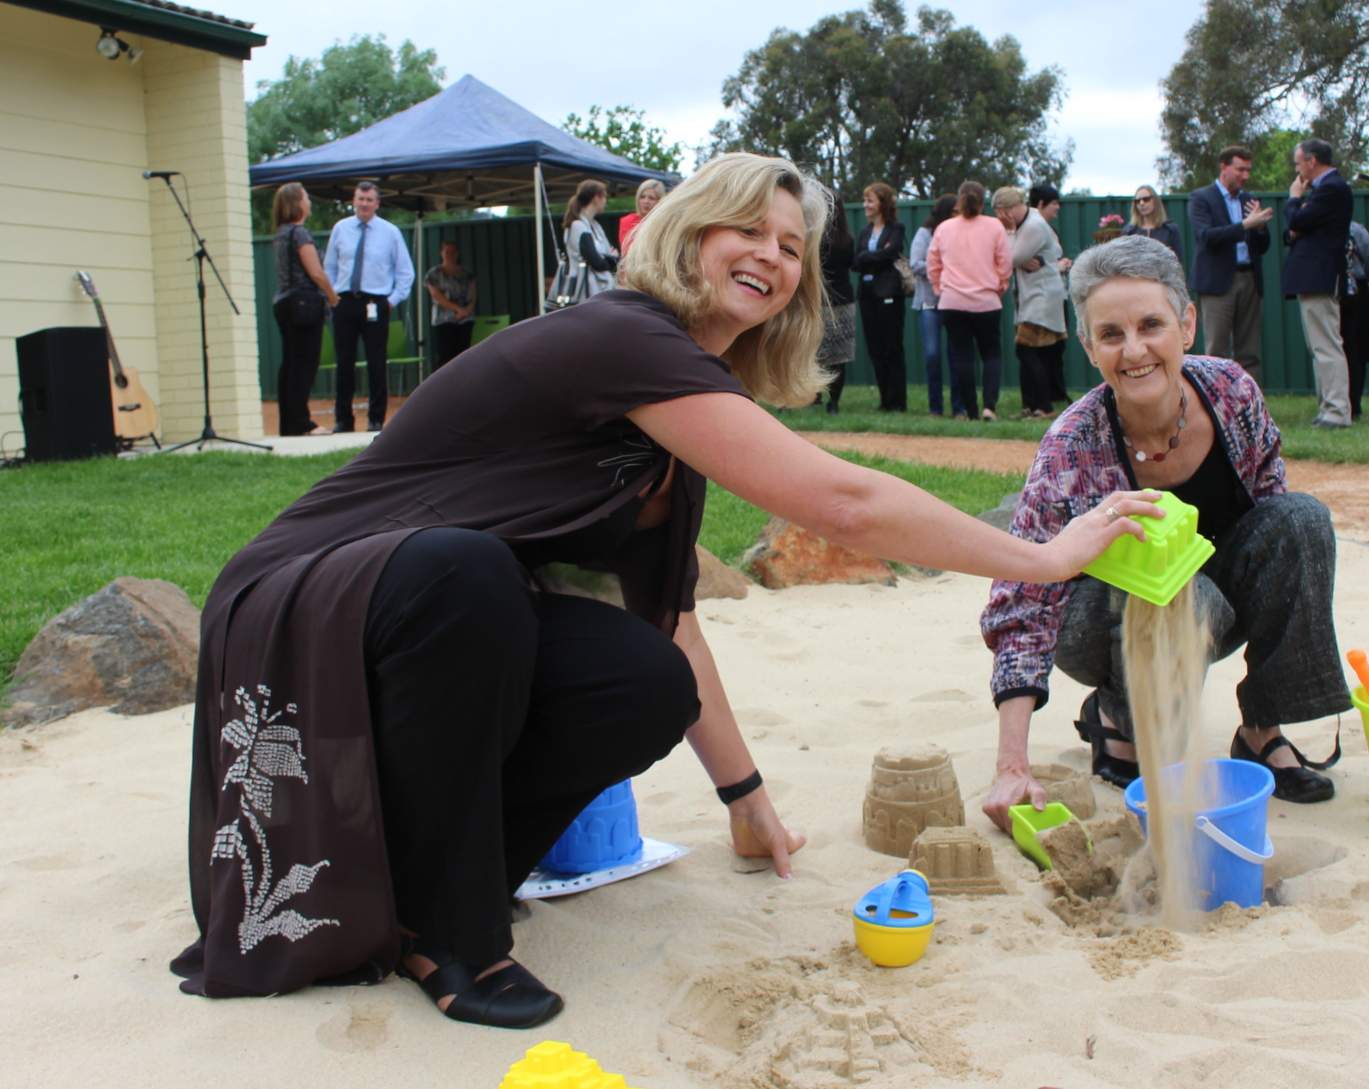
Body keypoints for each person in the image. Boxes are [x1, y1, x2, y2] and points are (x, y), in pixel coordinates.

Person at [172, 152, 1161, 1031]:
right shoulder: (622, 335)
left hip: (424, 610)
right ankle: (449, 930)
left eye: (791, 246)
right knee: (469, 575)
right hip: (307, 601)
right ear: (687, 233)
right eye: (748, 229)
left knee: (639, 678)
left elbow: (677, 625)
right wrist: (1045, 557)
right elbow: (844, 502)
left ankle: (440, 877)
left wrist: (746, 800)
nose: (772, 257)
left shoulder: (671, 423)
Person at [980, 234, 1347, 829]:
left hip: (1213, 609)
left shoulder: (1231, 393)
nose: (1134, 351)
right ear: (1087, 346)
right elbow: (1023, 599)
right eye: (1111, 334)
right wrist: (1011, 762)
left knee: (1302, 520)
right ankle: (1119, 714)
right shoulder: (1071, 447)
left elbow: (1273, 534)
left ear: (1187, 325)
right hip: (1097, 624)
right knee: (1179, 589)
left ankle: (1261, 730)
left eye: (1151, 325)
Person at [323, 181, 415, 434]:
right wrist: (332, 296)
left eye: (369, 200)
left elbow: (405, 272)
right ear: (354, 200)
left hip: (376, 302)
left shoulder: (390, 232)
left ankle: (376, 419)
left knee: (376, 362)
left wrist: (392, 300)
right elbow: (329, 267)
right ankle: (343, 419)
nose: (364, 204)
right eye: (360, 199)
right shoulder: (341, 229)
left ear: (377, 203)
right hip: (345, 301)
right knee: (345, 362)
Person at [1283, 138, 1355, 428]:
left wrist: (1294, 198)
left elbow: (1297, 221)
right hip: (1313, 277)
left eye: (1299, 163)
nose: (1298, 170)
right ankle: (1328, 408)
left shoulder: (1332, 188)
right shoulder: (1324, 191)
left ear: (1312, 161)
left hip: (1321, 275)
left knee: (1327, 346)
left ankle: (1337, 412)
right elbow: (1294, 231)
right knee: (1320, 347)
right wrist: (1298, 223)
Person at [1188, 146, 1273, 389]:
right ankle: (1216, 405)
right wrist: (1246, 224)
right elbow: (1206, 237)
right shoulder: (1201, 198)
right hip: (1218, 283)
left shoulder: (1249, 200)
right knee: (1217, 350)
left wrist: (1259, 229)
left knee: (1250, 350)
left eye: (1248, 170)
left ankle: (1250, 404)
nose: (1245, 176)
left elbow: (1262, 246)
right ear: (1224, 167)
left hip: (1250, 279)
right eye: (1240, 169)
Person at [928, 181, 1012, 422]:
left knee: (962, 357)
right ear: (983, 202)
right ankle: (989, 407)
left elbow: (933, 263)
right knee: (991, 355)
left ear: (959, 201)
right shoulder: (995, 226)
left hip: (952, 302)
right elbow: (1005, 263)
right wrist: (1000, 286)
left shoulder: (944, 228)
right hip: (987, 301)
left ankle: (970, 411)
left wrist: (939, 288)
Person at [994, 186, 1070, 419]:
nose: (999, 218)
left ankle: (1043, 406)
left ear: (1012, 208)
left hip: (1042, 295)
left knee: (1026, 349)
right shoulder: (1030, 222)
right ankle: (1033, 405)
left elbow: (1010, 258)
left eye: (1001, 212)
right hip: (1033, 294)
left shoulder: (1034, 225)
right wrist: (1021, 259)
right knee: (1039, 352)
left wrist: (1008, 234)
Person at [269, 182, 337, 436]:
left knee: (290, 365)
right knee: (304, 365)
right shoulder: (300, 234)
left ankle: (289, 423)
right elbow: (316, 273)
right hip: (305, 305)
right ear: (297, 202)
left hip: (285, 303)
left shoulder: (280, 233)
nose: (309, 201)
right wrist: (333, 297)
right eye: (306, 197)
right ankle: (302, 423)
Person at [852, 181, 908, 411]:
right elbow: (856, 261)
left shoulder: (896, 228)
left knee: (892, 348)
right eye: (865, 201)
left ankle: (898, 402)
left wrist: (868, 257)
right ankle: (884, 400)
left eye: (870, 200)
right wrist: (871, 255)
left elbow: (891, 253)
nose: (866, 205)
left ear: (882, 204)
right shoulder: (865, 232)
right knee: (875, 349)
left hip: (889, 294)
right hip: (867, 296)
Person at [909, 194, 959, 416]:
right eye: (955, 211)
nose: (959, 214)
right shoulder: (924, 234)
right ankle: (935, 408)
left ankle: (960, 407)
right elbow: (915, 264)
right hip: (929, 303)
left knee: (957, 356)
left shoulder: (959, 232)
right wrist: (943, 269)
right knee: (932, 355)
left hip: (955, 303)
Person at [1028, 184, 1073, 403]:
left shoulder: (1048, 229)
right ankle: (1041, 399)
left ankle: (1056, 393)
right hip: (1040, 299)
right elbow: (1032, 263)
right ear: (1040, 204)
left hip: (1058, 295)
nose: (1058, 207)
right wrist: (1058, 266)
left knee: (1057, 348)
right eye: (1054, 203)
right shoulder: (1033, 229)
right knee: (1042, 350)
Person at [817, 190, 856, 414]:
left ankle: (814, 395)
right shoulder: (847, 240)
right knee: (838, 355)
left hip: (820, 300)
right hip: (843, 300)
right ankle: (834, 402)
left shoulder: (815, 238)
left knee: (815, 352)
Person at [1340, 220, 1369, 420]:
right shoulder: (1354, 229)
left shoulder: (1354, 229)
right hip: (1351, 289)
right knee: (1352, 347)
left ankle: (1353, 402)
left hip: (1354, 290)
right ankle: (1350, 403)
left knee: (1354, 347)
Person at [563, 180, 620, 304]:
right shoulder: (578, 226)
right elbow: (597, 262)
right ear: (596, 197)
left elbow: (607, 258)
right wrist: (611, 259)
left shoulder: (595, 226)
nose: (606, 202)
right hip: (585, 294)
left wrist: (608, 259)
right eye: (604, 197)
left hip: (600, 291)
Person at [424, 240, 477, 373]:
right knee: (444, 356)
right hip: (443, 320)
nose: (450, 255)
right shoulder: (433, 274)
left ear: (457, 254)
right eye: (447, 252)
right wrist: (457, 309)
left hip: (465, 319)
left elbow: (473, 293)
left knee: (463, 354)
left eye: (453, 252)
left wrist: (468, 309)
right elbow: (436, 295)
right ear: (441, 253)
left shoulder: (467, 273)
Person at [1121, 185, 1183, 266]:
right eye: (1137, 201)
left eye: (1146, 199)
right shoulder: (1129, 231)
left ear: (1155, 201)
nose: (1141, 203)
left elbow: (1178, 261)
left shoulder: (1170, 230)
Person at [618, 178, 665, 256]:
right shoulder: (627, 221)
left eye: (651, 198)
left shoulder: (664, 223)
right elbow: (627, 251)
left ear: (659, 201)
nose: (646, 201)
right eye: (642, 197)